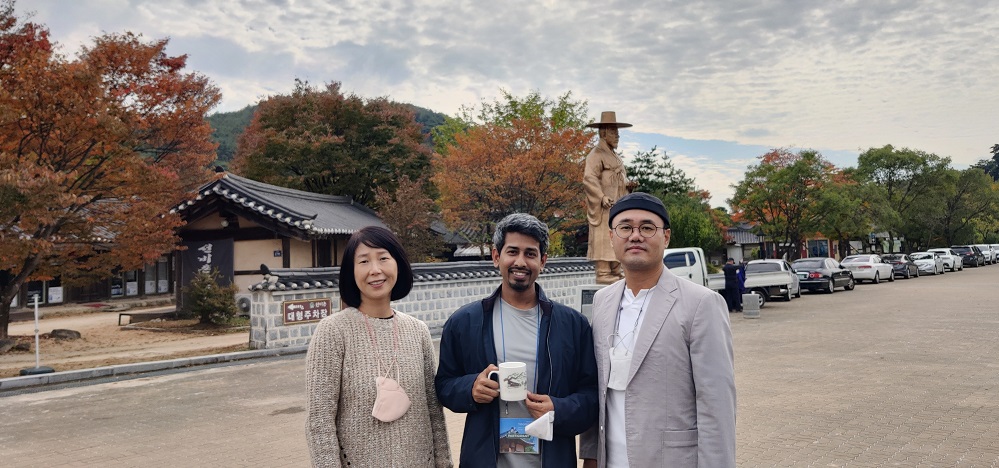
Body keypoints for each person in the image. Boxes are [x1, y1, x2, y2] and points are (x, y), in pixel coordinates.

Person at [580, 192, 736, 468]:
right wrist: (591, 455)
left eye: (647, 227)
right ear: (612, 237)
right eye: (625, 227)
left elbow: (717, 405)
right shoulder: (603, 301)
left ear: (665, 237)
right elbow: (598, 389)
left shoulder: (700, 303)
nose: (635, 236)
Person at [436, 213, 598, 468]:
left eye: (530, 254)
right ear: (496, 257)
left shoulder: (572, 326)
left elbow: (591, 397)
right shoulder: (465, 322)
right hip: (484, 460)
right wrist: (471, 388)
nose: (520, 262)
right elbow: (444, 385)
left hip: (552, 459)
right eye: (512, 252)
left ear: (542, 261)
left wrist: (558, 408)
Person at [306, 226, 452, 467]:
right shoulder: (333, 331)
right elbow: (319, 420)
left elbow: (433, 412)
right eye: (363, 261)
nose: (375, 270)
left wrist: (444, 462)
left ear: (398, 264)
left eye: (383, 258)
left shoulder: (418, 331)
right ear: (351, 272)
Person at [582, 111, 632, 284]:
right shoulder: (595, 155)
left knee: (618, 234)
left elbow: (620, 179)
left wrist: (628, 185)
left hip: (618, 204)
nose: (617, 136)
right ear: (603, 133)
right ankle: (603, 272)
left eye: (618, 133)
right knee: (603, 236)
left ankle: (615, 269)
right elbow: (589, 178)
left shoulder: (615, 157)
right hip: (604, 205)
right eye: (613, 132)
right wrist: (601, 196)